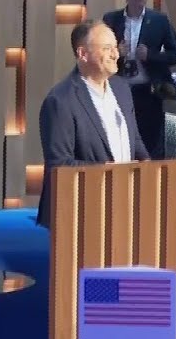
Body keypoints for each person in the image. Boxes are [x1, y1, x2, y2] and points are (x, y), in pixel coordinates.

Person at [36, 19, 151, 229]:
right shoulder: (61, 101)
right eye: (107, 49)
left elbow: (133, 138)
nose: (116, 54)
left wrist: (147, 166)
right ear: (83, 54)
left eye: (115, 48)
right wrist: (106, 172)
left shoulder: (122, 89)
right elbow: (60, 165)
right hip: (82, 212)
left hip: (125, 201)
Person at [102, 0, 176, 159]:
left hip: (148, 93)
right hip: (118, 91)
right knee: (119, 142)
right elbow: (100, 55)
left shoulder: (159, 20)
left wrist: (151, 56)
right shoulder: (111, 20)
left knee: (148, 145)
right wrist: (116, 53)